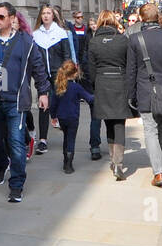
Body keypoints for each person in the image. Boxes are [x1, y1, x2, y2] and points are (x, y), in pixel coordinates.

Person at [0, 1, 50, 203]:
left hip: (16, 100)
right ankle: (1, 165)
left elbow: (38, 67)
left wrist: (43, 92)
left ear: (12, 19)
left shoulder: (26, 41)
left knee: (16, 143)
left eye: (1, 17)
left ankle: (17, 184)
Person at [126, 2, 162, 188]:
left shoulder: (135, 39)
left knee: (150, 131)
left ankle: (158, 172)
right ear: (157, 17)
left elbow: (131, 71)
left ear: (142, 18)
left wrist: (130, 95)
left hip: (145, 92)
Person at [86, 10, 132, 180]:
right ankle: (118, 164)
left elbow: (90, 69)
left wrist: (95, 84)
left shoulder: (94, 42)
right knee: (119, 124)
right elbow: (129, 65)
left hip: (102, 83)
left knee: (108, 123)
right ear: (113, 21)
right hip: (120, 82)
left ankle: (113, 161)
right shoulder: (122, 40)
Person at [31, 5, 77, 154]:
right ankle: (43, 140)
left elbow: (66, 55)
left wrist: (66, 73)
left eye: (48, 13)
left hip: (59, 75)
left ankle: (66, 134)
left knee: (61, 104)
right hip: (42, 75)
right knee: (43, 106)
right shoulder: (35, 35)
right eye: (43, 13)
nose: (45, 16)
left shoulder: (61, 33)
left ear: (53, 16)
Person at [48, 60, 94, 174]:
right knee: (71, 139)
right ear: (74, 73)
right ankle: (69, 164)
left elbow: (53, 103)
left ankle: (65, 161)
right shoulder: (76, 87)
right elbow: (89, 98)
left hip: (62, 117)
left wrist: (53, 116)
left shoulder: (58, 86)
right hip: (73, 117)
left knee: (65, 137)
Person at [70, 10, 102, 159]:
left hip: (99, 81)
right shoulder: (89, 38)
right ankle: (96, 145)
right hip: (94, 82)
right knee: (96, 114)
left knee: (97, 114)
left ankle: (96, 145)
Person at [12, 11, 37, 157]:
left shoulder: (26, 40)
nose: (13, 26)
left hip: (22, 83)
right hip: (6, 86)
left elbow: (35, 64)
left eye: (15, 23)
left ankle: (28, 137)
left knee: (23, 112)